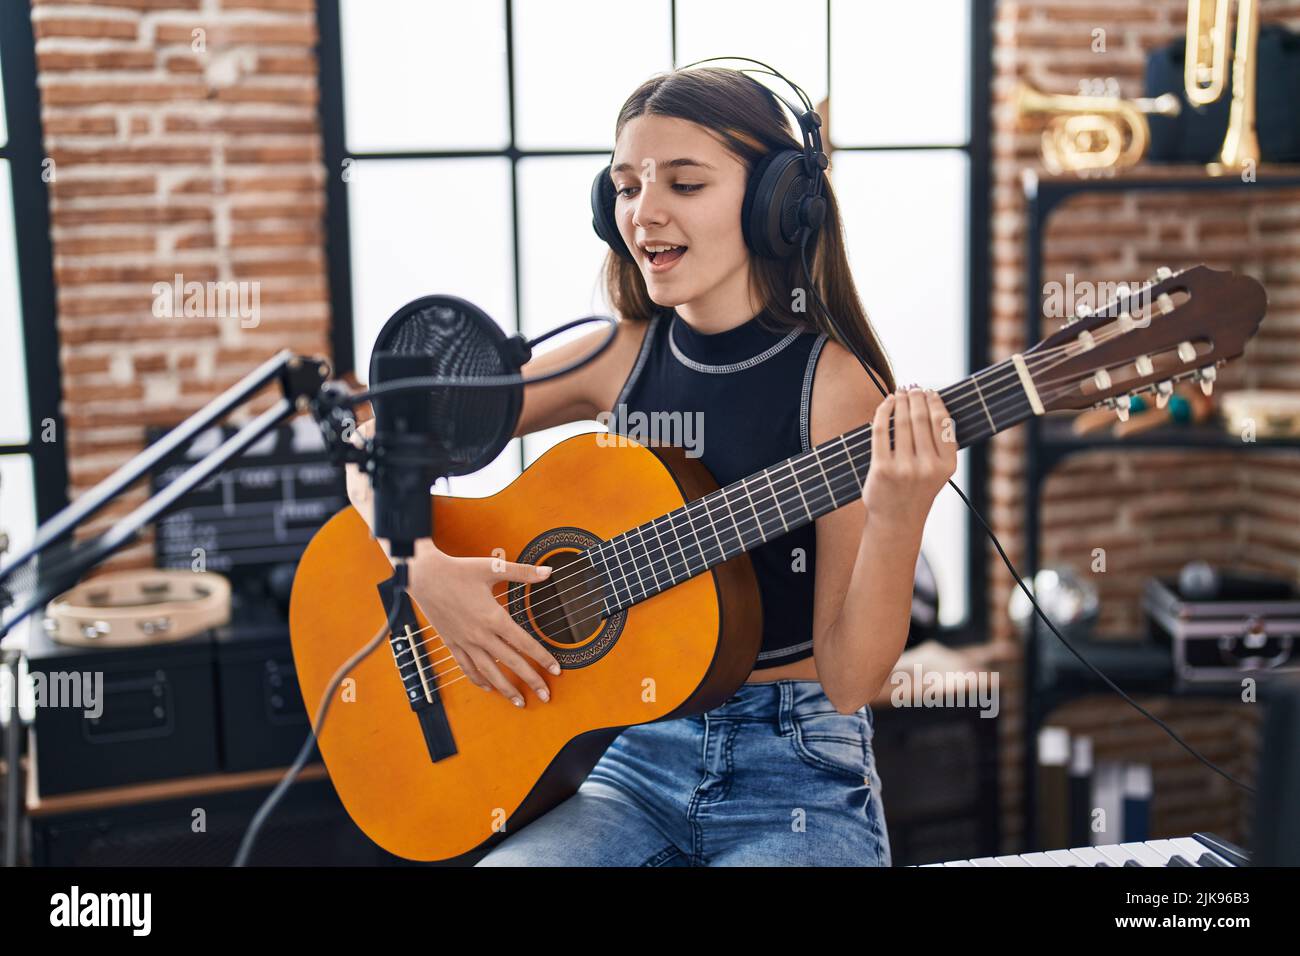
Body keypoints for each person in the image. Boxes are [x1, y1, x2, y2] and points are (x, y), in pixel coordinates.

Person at [346, 65, 957, 866]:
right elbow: (370, 434)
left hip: (796, 776)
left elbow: (848, 680)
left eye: (685, 182)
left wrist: (901, 514)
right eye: (626, 187)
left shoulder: (834, 385)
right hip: (633, 766)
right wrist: (422, 569)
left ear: (776, 202)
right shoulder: (617, 356)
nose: (645, 212)